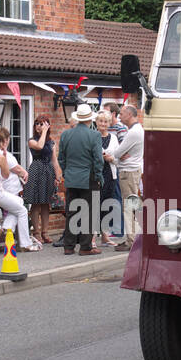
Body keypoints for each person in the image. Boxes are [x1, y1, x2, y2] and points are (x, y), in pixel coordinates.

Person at [57, 103, 103, 256]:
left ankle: (68, 246)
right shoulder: (94, 135)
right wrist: (98, 176)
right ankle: (85, 247)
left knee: (71, 211)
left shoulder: (65, 134)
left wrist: (66, 172)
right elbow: (98, 160)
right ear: (90, 119)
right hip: (88, 177)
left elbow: (61, 158)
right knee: (89, 213)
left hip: (71, 177)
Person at [22, 116, 62, 244]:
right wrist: (44, 131)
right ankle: (36, 232)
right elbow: (39, 146)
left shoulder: (51, 142)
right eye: (37, 124)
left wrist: (58, 175)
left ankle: (45, 232)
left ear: (48, 126)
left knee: (46, 203)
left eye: (42, 124)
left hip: (48, 171)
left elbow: (54, 160)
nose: (39, 126)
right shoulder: (32, 141)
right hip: (36, 170)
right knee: (36, 203)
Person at [111, 104, 145, 251]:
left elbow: (117, 153)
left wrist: (116, 157)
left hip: (128, 173)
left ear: (130, 115)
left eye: (122, 113)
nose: (119, 116)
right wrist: (118, 157)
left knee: (129, 207)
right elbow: (119, 155)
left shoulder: (133, 133)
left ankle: (132, 240)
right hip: (133, 170)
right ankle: (136, 238)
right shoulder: (138, 130)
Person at [95, 111, 122, 245]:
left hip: (111, 175)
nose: (103, 124)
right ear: (96, 122)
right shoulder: (92, 137)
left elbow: (118, 158)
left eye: (105, 121)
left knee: (107, 205)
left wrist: (111, 159)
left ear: (109, 123)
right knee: (95, 204)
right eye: (100, 121)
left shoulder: (113, 138)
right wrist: (101, 158)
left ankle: (105, 236)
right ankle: (93, 237)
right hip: (96, 175)